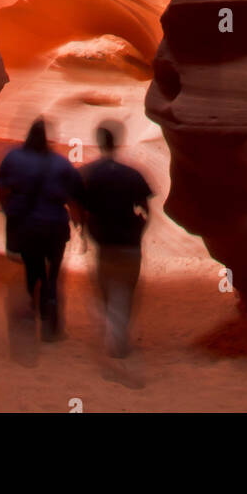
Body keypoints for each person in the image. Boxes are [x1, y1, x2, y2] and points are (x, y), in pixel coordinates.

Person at [0, 117, 84, 342]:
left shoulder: (13, 158)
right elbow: (74, 198)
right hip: (55, 226)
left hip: (27, 227)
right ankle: (51, 315)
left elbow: (4, 192)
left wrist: (10, 213)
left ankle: (32, 308)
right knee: (53, 273)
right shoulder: (61, 163)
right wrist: (79, 224)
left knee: (33, 269)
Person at [78, 122, 153, 358]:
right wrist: (140, 229)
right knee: (127, 291)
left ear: (99, 143)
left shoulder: (88, 173)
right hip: (130, 243)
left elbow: (80, 208)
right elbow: (146, 209)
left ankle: (112, 334)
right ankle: (119, 338)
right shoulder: (132, 174)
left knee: (106, 291)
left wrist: (85, 232)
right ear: (116, 142)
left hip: (104, 243)